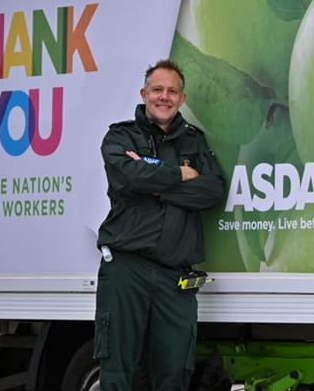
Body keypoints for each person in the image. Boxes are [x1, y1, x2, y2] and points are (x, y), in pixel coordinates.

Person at [95, 59, 225, 390]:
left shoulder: (194, 141)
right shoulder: (121, 136)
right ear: (144, 94)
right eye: (157, 90)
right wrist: (181, 174)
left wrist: (156, 188)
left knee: (175, 370)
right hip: (127, 268)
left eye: (172, 91)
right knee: (118, 371)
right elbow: (128, 176)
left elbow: (212, 191)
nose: (164, 97)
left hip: (175, 274)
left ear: (182, 98)